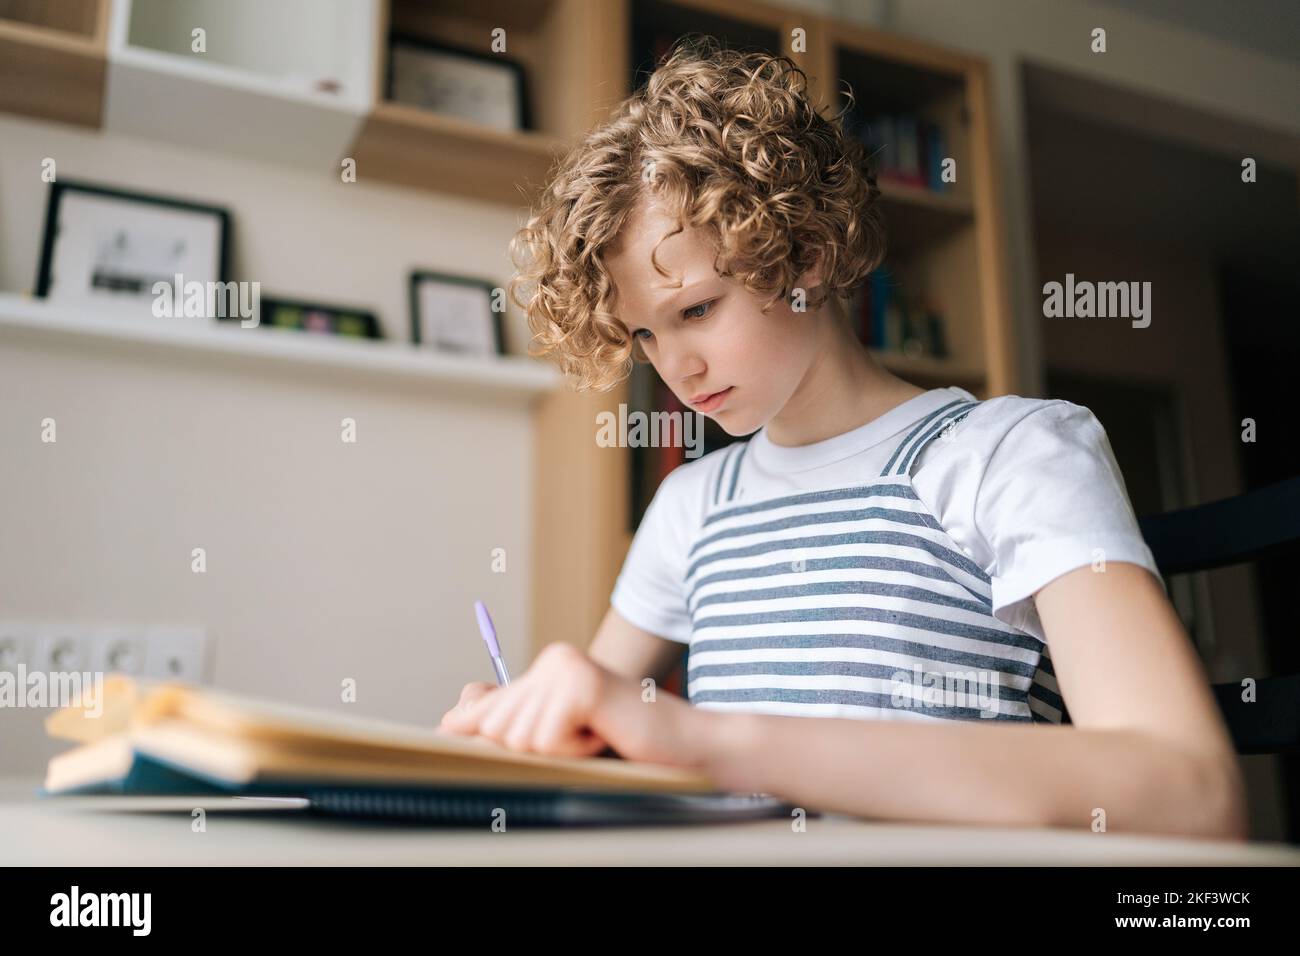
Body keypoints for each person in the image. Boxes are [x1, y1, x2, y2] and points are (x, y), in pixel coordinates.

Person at [439, 37, 1246, 839]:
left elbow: (1192, 791)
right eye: (644, 335)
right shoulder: (691, 507)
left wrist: (706, 740)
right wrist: (525, 734)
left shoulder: (1007, 455)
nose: (675, 367)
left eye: (696, 310)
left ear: (809, 258)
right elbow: (593, 739)